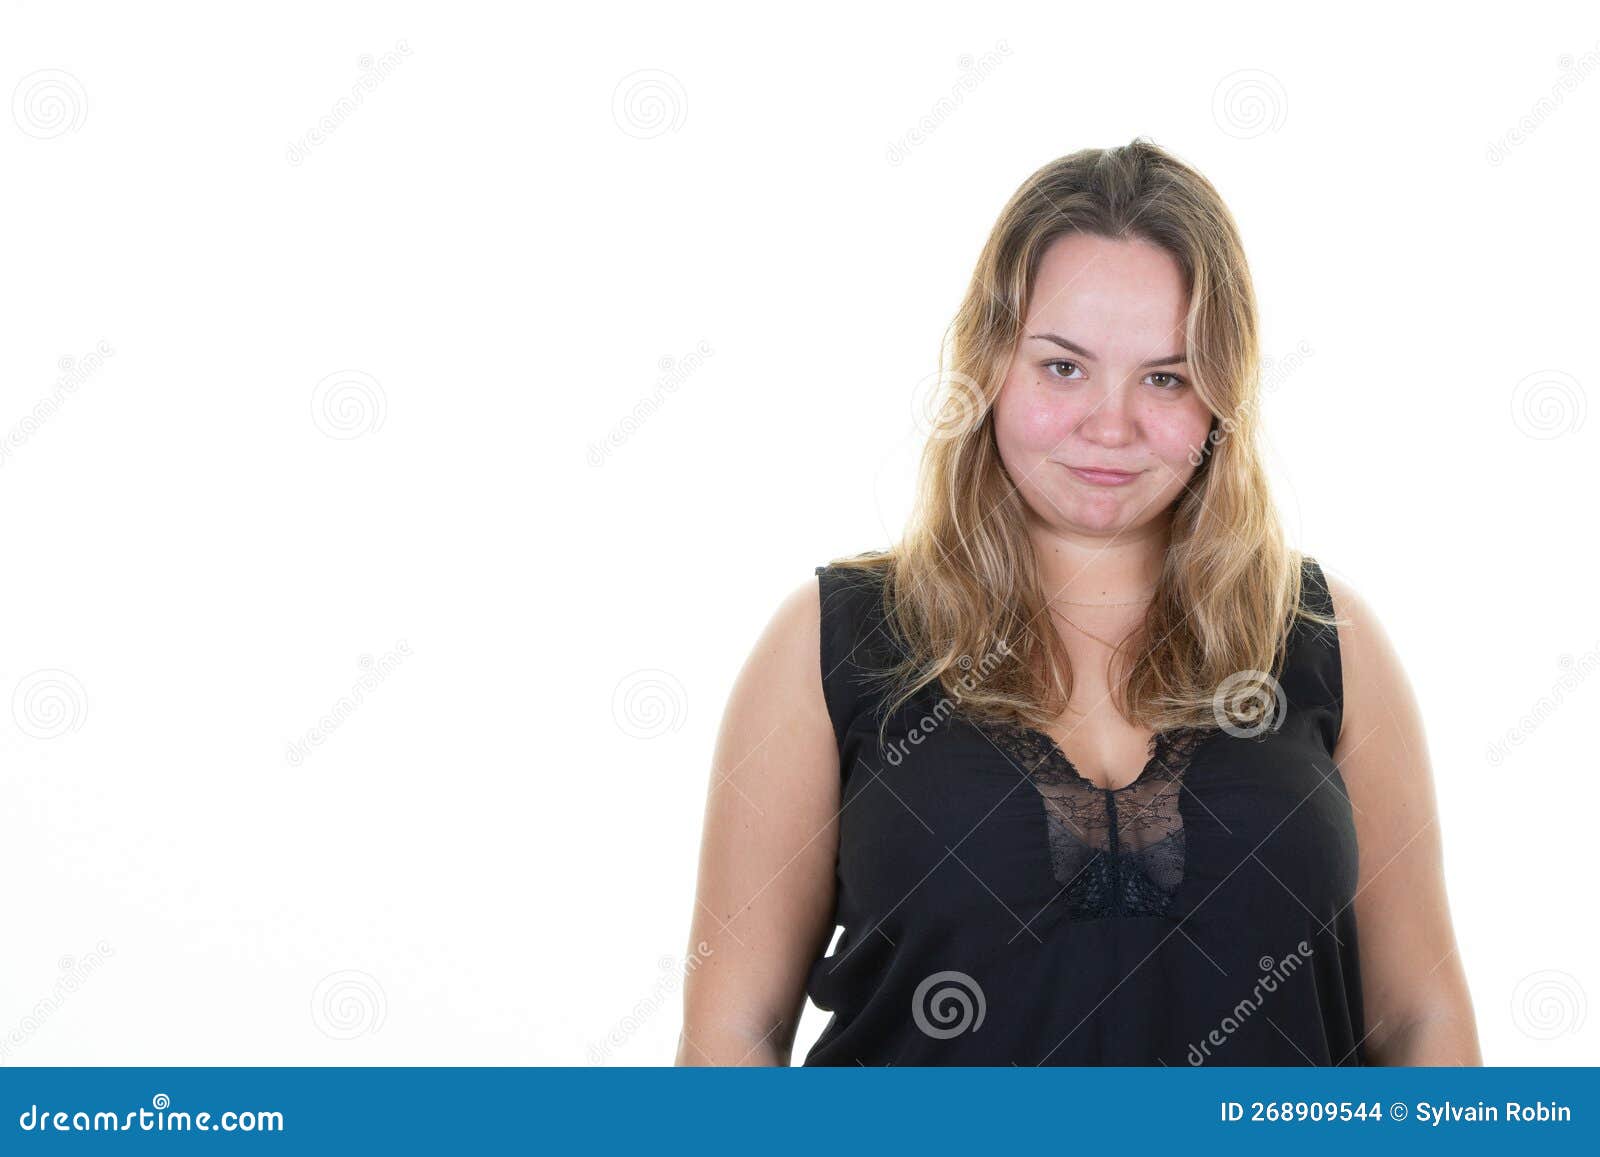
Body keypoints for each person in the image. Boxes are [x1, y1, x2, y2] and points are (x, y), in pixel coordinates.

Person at [676, 139, 1480, 1066]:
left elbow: (1423, 1022)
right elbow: (729, 1039)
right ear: (991, 369)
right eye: (1063, 367)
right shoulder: (830, 641)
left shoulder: (1325, 637)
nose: (1112, 423)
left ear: (1221, 398)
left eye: (1166, 377)